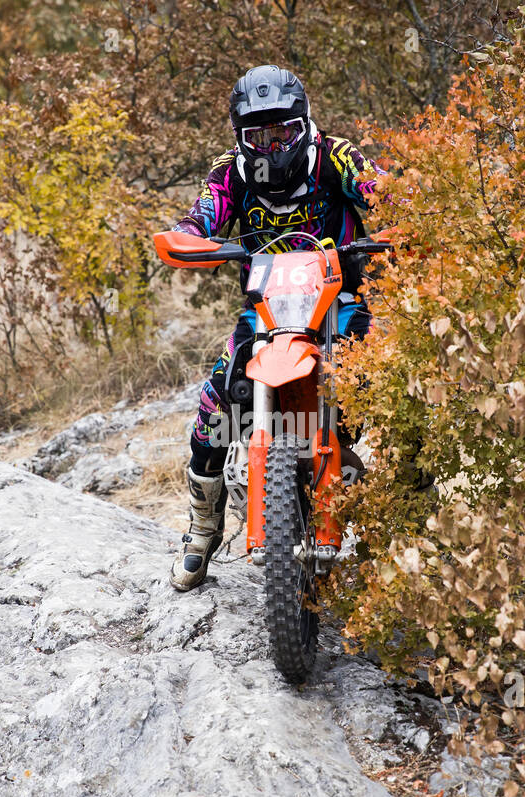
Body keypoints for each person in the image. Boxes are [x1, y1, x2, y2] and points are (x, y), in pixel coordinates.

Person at [168, 64, 382, 591]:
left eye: (281, 130)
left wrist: (407, 216)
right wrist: (189, 236)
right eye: (257, 134)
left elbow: (386, 191)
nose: (271, 144)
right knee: (218, 401)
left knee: (394, 385)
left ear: (302, 123)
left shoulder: (337, 156)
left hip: (341, 303)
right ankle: (202, 529)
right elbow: (202, 216)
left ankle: (413, 515)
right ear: (241, 138)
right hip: (265, 314)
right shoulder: (232, 173)